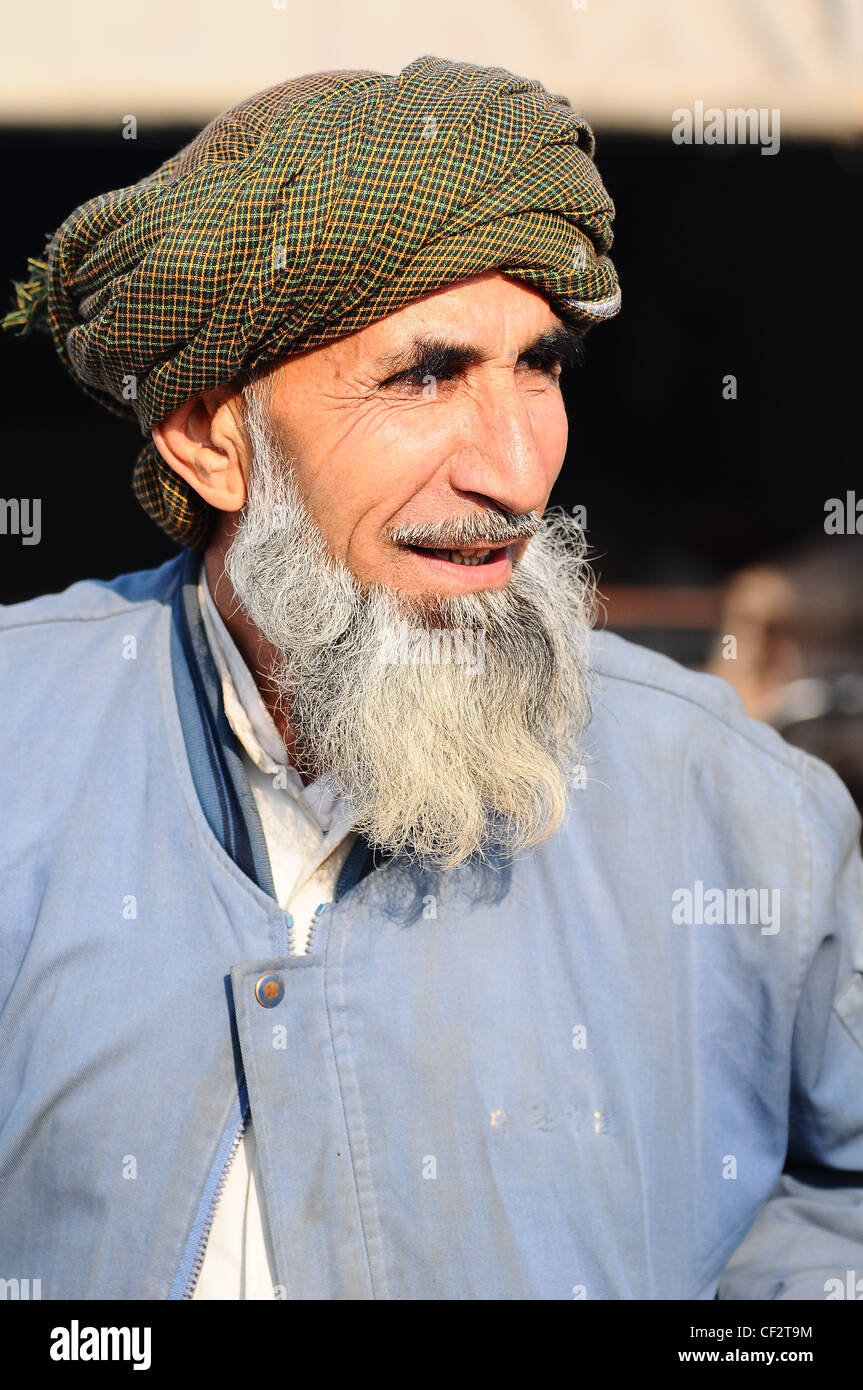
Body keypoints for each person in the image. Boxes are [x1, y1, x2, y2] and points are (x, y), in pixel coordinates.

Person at [1, 55, 861, 1302]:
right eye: (426, 375)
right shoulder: (22, 751)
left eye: (541, 366)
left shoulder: (733, 810)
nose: (516, 471)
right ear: (209, 435)